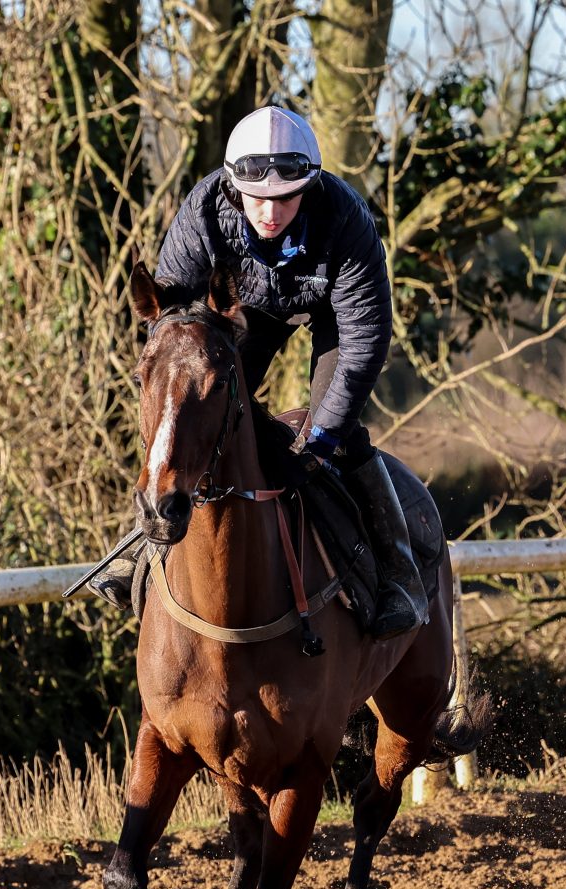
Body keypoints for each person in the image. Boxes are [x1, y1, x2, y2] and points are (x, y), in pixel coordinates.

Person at [90, 106, 425, 637]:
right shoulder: (202, 210)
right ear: (232, 187)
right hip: (245, 314)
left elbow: (363, 344)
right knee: (194, 407)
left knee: (338, 438)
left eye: (285, 199)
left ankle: (396, 572)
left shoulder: (345, 218)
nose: (269, 213)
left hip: (335, 319)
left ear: (309, 188)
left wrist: (315, 444)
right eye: (256, 199)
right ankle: (140, 543)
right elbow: (175, 323)